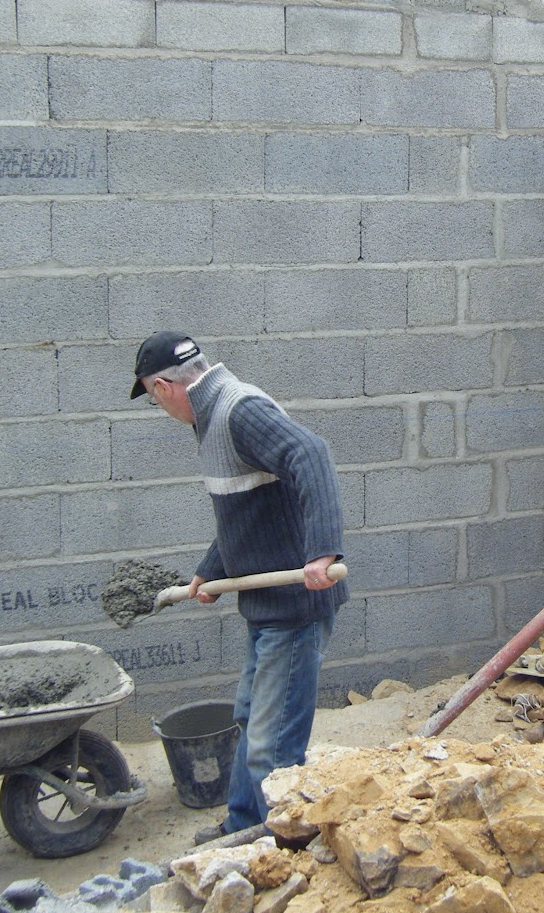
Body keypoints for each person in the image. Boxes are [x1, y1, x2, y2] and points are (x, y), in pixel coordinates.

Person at [129, 330, 347, 842]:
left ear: (163, 387)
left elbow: (311, 453)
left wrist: (322, 550)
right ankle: (243, 827)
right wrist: (212, 570)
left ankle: (276, 845)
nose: (159, 407)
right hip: (265, 604)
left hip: (294, 606)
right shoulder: (211, 419)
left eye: (154, 399)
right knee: (251, 719)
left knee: (273, 741)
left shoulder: (237, 409)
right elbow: (246, 512)